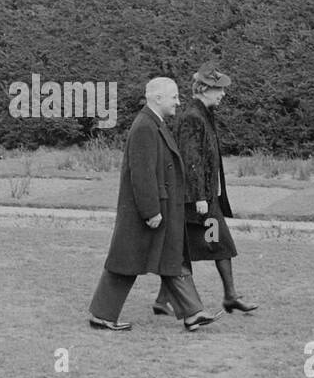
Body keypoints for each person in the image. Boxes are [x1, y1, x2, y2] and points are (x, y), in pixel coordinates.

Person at [88, 77, 218, 332]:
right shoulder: (145, 127)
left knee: (171, 258)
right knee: (126, 262)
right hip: (148, 211)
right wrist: (151, 212)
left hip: (161, 208)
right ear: (158, 98)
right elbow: (142, 173)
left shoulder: (153, 123)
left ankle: (193, 313)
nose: (179, 102)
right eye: (174, 97)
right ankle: (101, 315)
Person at [153, 64, 258, 315]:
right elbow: (191, 161)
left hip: (202, 197)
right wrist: (200, 197)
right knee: (216, 243)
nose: (223, 93)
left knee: (185, 249)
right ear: (204, 89)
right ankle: (229, 296)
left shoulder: (204, 113)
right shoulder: (192, 116)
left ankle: (163, 300)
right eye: (218, 89)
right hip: (197, 200)